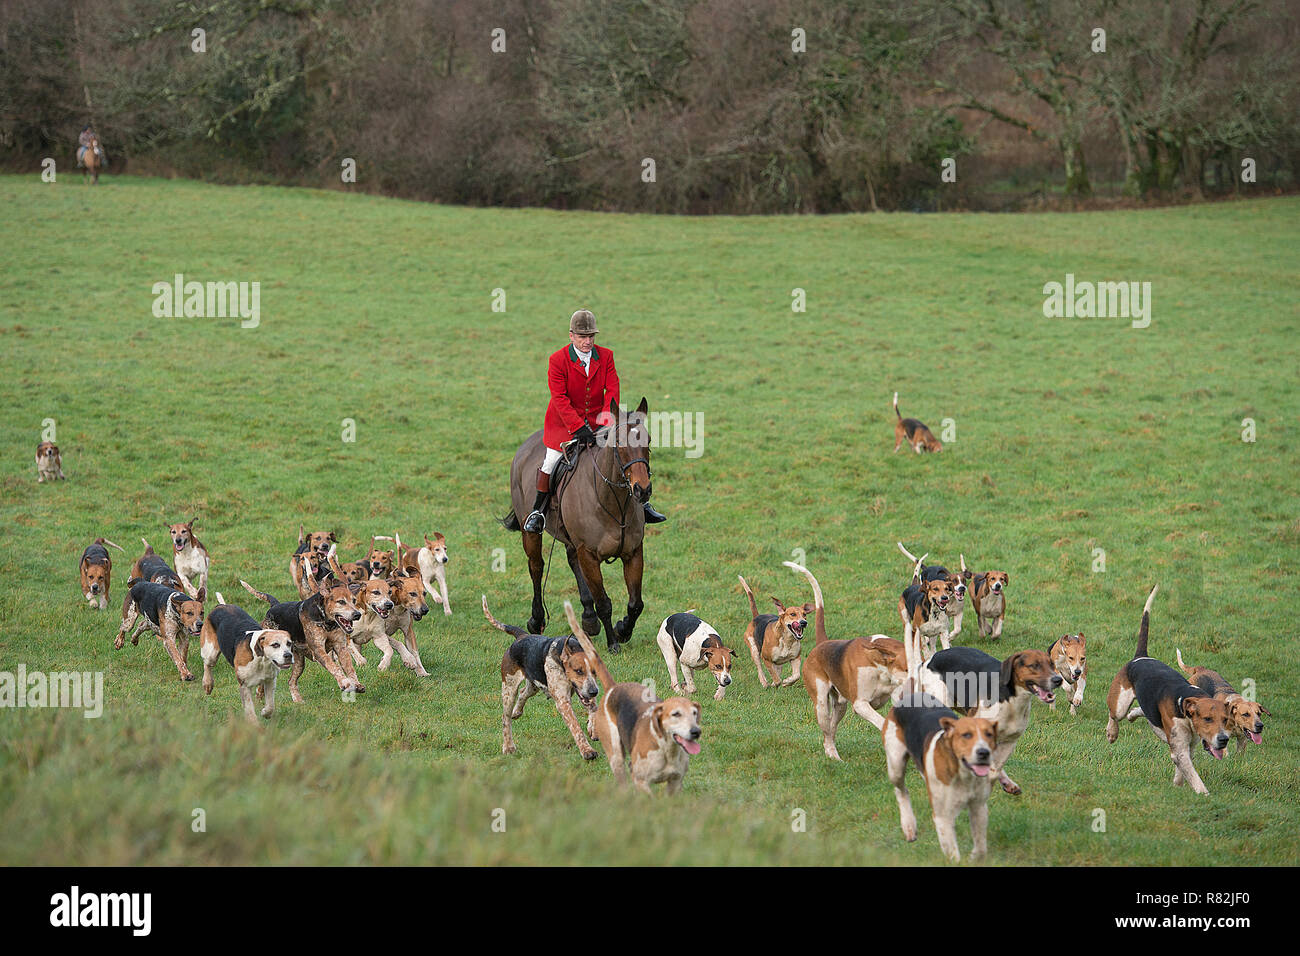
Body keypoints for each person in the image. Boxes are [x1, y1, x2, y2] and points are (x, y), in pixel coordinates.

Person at [522, 309, 667, 533]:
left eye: (591, 336)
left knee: (626, 452)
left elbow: (613, 387)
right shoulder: (557, 360)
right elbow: (559, 398)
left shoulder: (606, 356)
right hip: (564, 426)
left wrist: (606, 420)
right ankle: (538, 512)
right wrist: (578, 427)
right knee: (551, 462)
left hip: (600, 423)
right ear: (571, 336)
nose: (587, 341)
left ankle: (643, 503)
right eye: (582, 337)